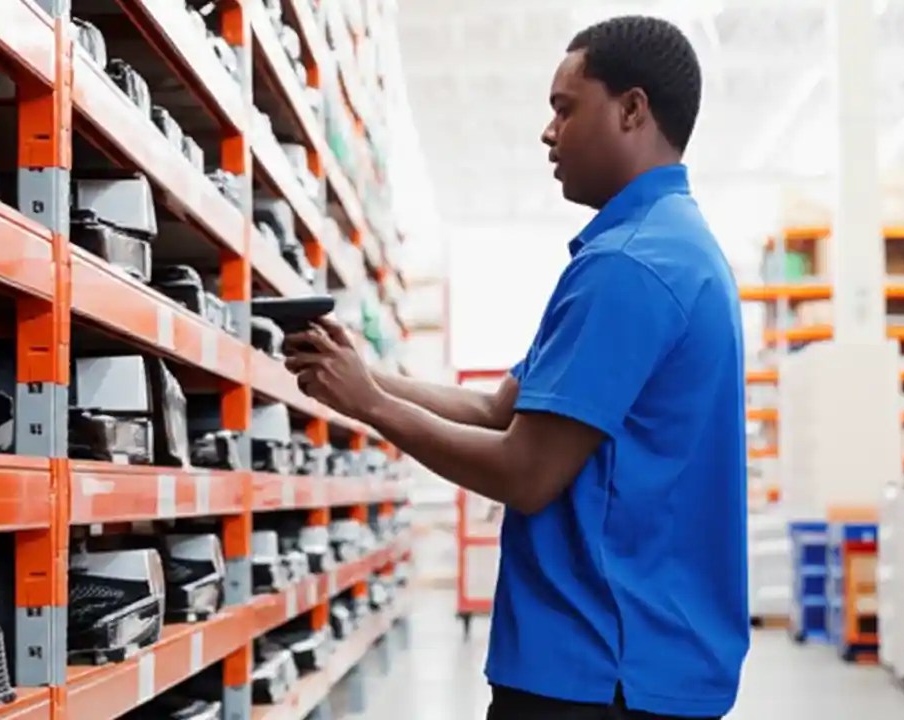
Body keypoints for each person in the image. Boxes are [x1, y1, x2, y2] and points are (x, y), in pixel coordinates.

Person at [283, 14, 748, 720]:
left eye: (566, 107)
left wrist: (371, 408)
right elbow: (499, 411)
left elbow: (524, 473)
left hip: (600, 670)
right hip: (637, 660)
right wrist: (362, 377)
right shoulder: (660, 246)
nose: (548, 132)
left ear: (632, 109)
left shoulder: (630, 267)